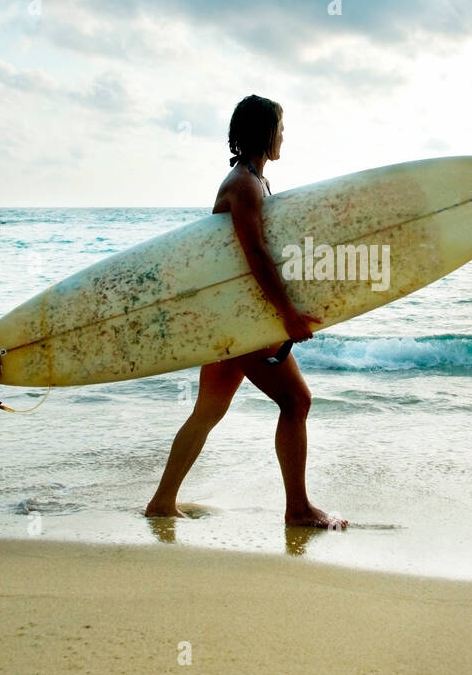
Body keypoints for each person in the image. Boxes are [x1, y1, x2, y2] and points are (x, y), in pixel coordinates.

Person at [145, 95, 348, 529]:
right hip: (240, 326)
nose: (283, 136)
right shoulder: (244, 185)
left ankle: (162, 502)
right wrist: (288, 314)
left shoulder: (253, 180)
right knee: (296, 401)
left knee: (206, 413)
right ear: (264, 133)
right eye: (280, 127)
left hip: (230, 322)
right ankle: (298, 509)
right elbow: (254, 253)